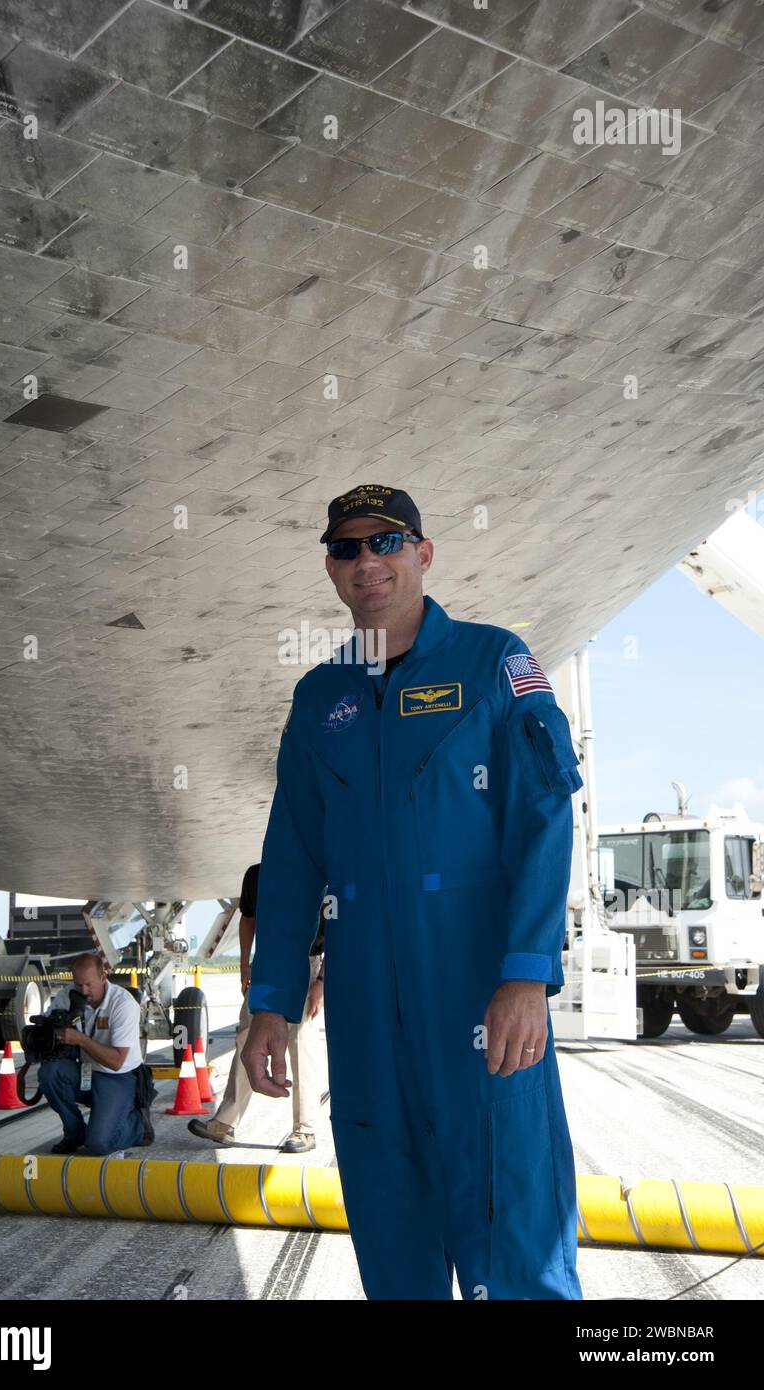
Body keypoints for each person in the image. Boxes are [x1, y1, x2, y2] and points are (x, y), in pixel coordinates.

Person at [241, 482, 585, 1300]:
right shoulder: (320, 697)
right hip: (366, 1032)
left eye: (386, 542)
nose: (367, 561)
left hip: (481, 1008)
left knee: (519, 1254)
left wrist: (526, 972)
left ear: (423, 554)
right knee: (394, 1259)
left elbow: (544, 816)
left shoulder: (495, 662)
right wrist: (271, 1003)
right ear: (331, 569)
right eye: (346, 547)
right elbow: (290, 860)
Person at [188, 863, 325, 1153]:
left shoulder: (316, 875)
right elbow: (248, 919)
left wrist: (322, 980)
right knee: (247, 1038)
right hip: (266, 964)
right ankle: (225, 1122)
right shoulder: (256, 876)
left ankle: (305, 1129)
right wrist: (244, 965)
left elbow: (336, 930)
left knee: (300, 1042)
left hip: (306, 963)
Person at [38, 952, 152, 1156]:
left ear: (103, 977)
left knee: (99, 1144)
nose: (83, 991)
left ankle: (138, 1125)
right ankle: (74, 1133)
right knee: (49, 1072)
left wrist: (80, 1039)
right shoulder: (68, 996)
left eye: (89, 985)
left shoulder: (123, 1004)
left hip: (118, 1077)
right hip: (87, 1071)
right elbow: (46, 1030)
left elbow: (117, 1062)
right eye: (78, 984)